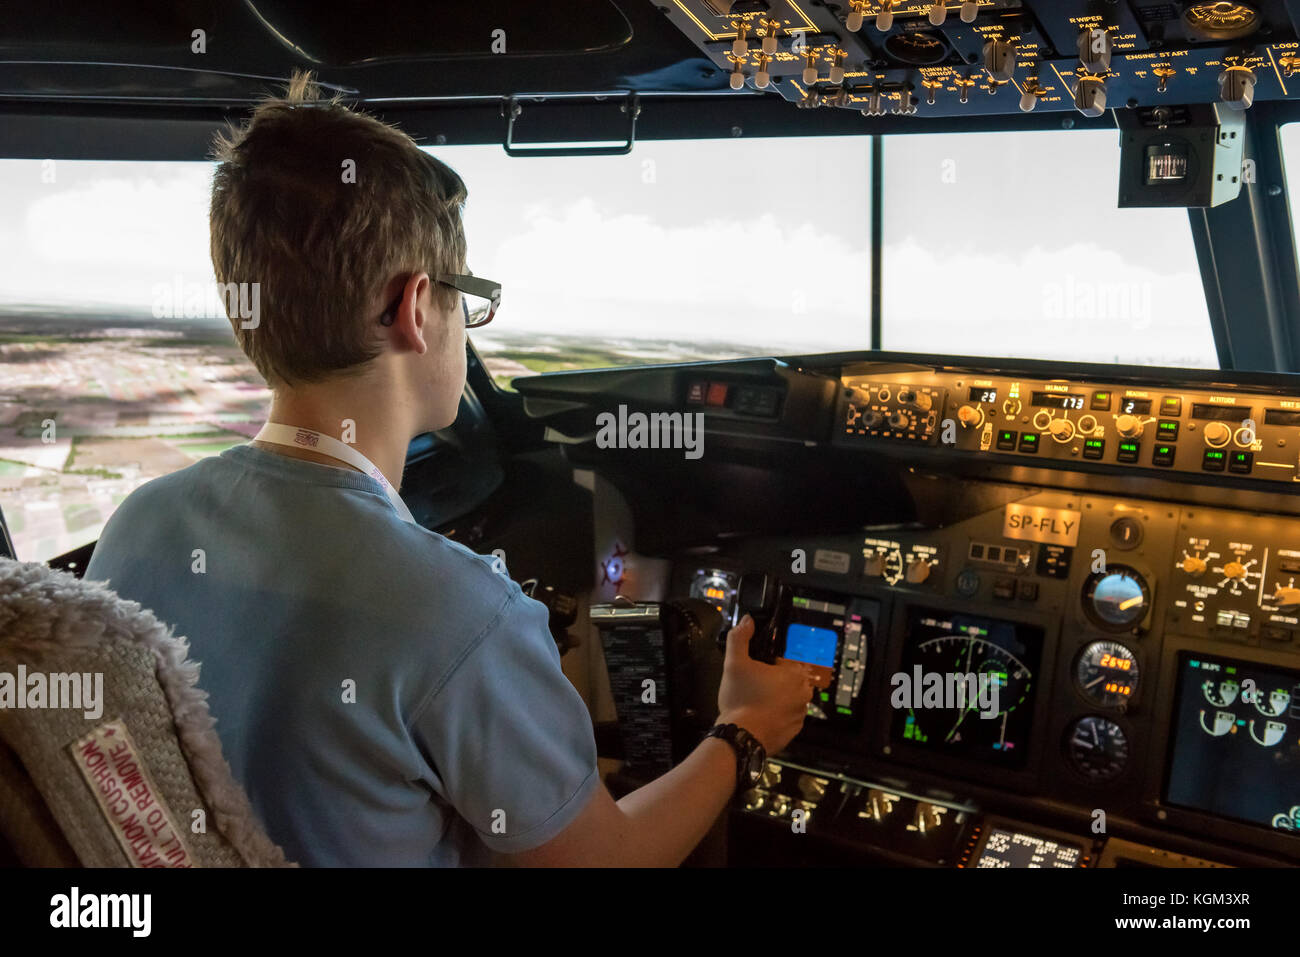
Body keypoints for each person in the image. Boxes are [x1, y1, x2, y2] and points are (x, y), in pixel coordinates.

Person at [85, 72, 812, 866]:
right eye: (466, 299)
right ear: (413, 308)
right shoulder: (458, 612)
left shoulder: (138, 526)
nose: (466, 326)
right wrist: (744, 730)